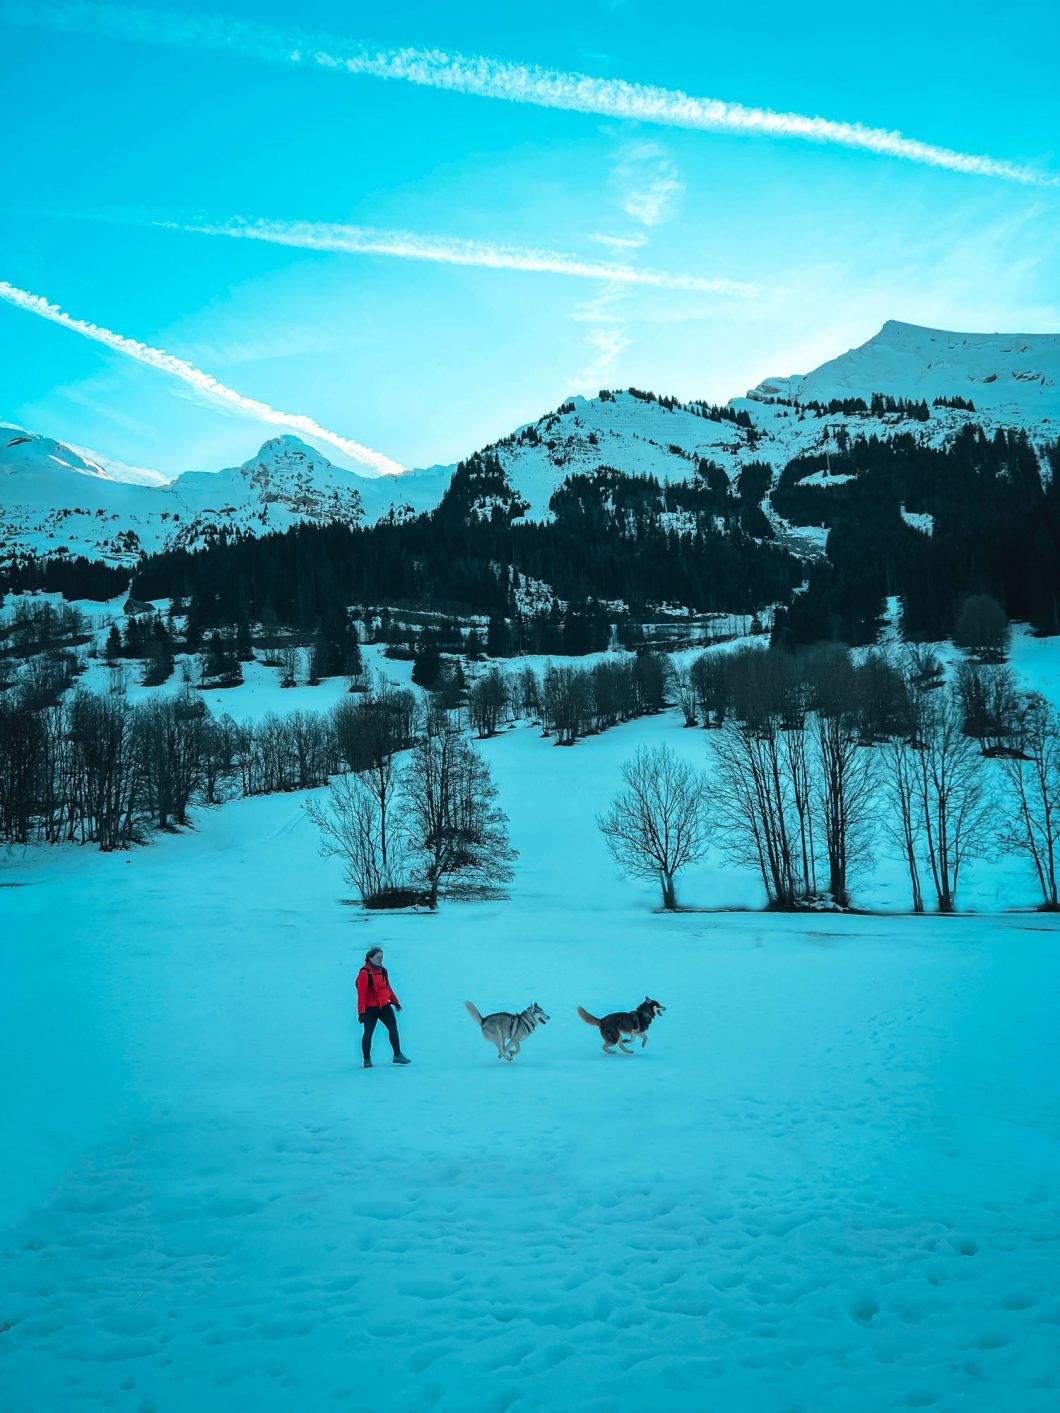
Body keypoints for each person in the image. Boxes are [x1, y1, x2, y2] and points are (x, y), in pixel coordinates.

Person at [356, 947, 411, 1068]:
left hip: (384, 1006)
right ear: (370, 958)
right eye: (378, 957)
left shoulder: (383, 971)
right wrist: (361, 1012)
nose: (381, 959)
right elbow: (361, 994)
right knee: (368, 1033)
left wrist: (395, 1001)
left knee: (393, 1029)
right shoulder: (364, 973)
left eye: (382, 957)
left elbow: (387, 988)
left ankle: (397, 1055)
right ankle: (367, 1059)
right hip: (370, 1009)